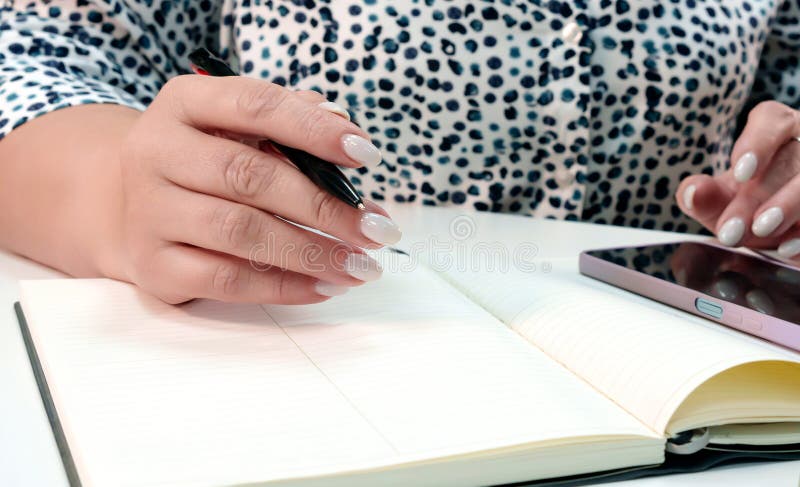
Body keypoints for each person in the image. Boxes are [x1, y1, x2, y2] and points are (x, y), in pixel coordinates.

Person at [0, 2, 798, 305]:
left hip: (701, 388)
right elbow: (28, 58)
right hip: (319, 355)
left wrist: (780, 173)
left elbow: (784, 79)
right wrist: (116, 193)